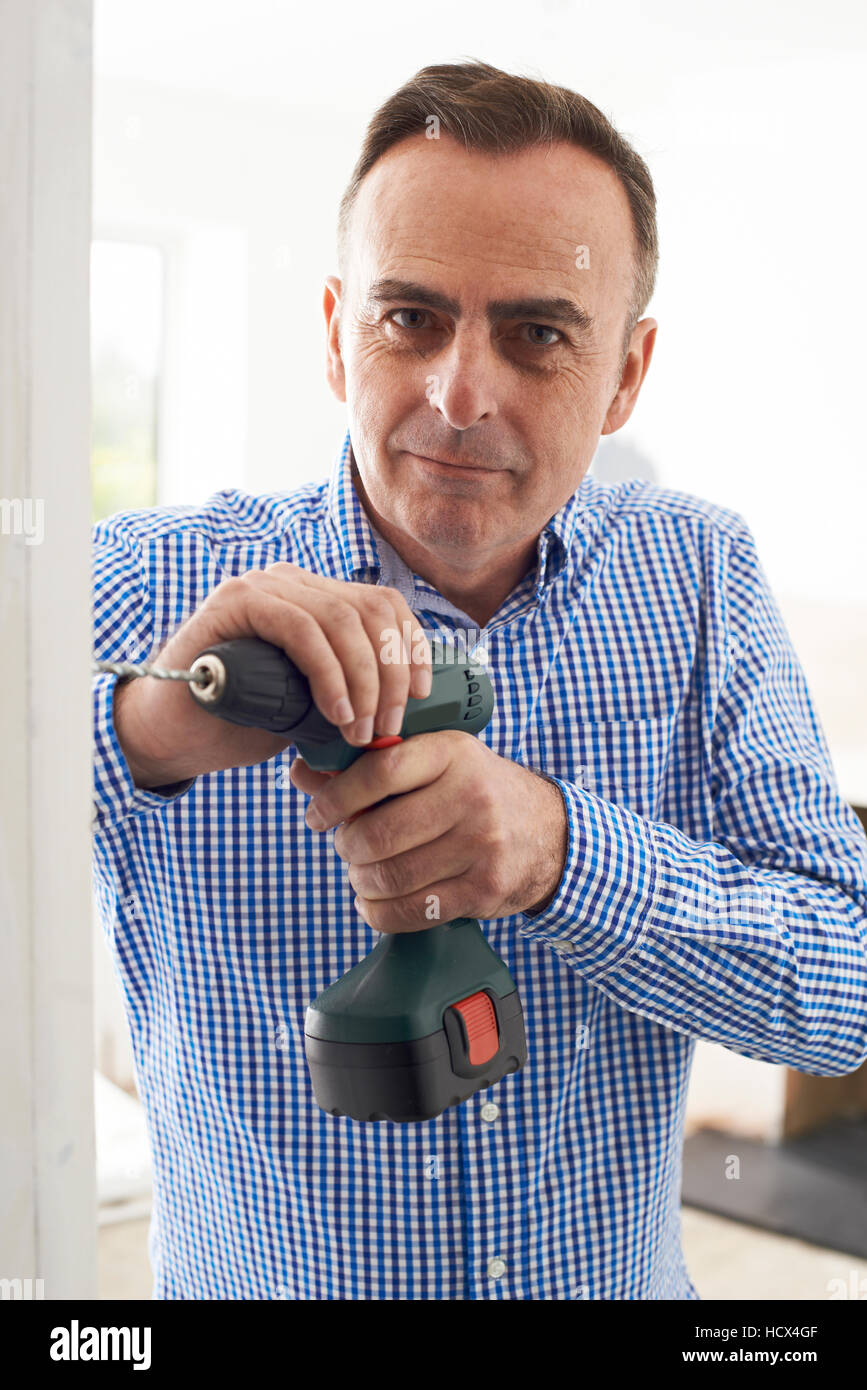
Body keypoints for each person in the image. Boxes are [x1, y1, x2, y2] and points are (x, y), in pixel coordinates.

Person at [92, 60, 867, 1300]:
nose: (461, 396)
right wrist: (145, 728)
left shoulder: (703, 580)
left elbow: (848, 990)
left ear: (624, 374)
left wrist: (562, 854)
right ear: (337, 338)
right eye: (411, 318)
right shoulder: (150, 581)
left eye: (539, 332)